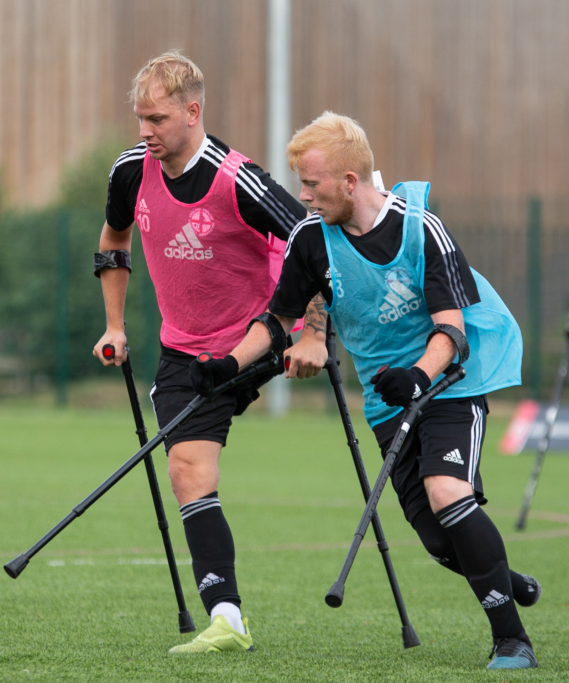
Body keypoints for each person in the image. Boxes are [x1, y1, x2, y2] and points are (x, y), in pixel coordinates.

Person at [195, 112, 541, 670]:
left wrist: (418, 377)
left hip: (448, 383)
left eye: (311, 183)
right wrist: (226, 364)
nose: (302, 195)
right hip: (386, 401)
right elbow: (279, 318)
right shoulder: (311, 238)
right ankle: (501, 576)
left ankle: (511, 639)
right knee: (435, 539)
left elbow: (451, 329)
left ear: (350, 181)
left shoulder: (422, 229)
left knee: (447, 493)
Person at [92, 51, 328, 654]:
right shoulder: (129, 171)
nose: (145, 131)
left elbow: (314, 245)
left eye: (157, 119)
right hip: (185, 349)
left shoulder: (238, 178)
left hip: (258, 335)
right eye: (140, 118)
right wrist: (115, 324)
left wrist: (314, 333)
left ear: (192, 112)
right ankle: (228, 618)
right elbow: (115, 239)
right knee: (185, 469)